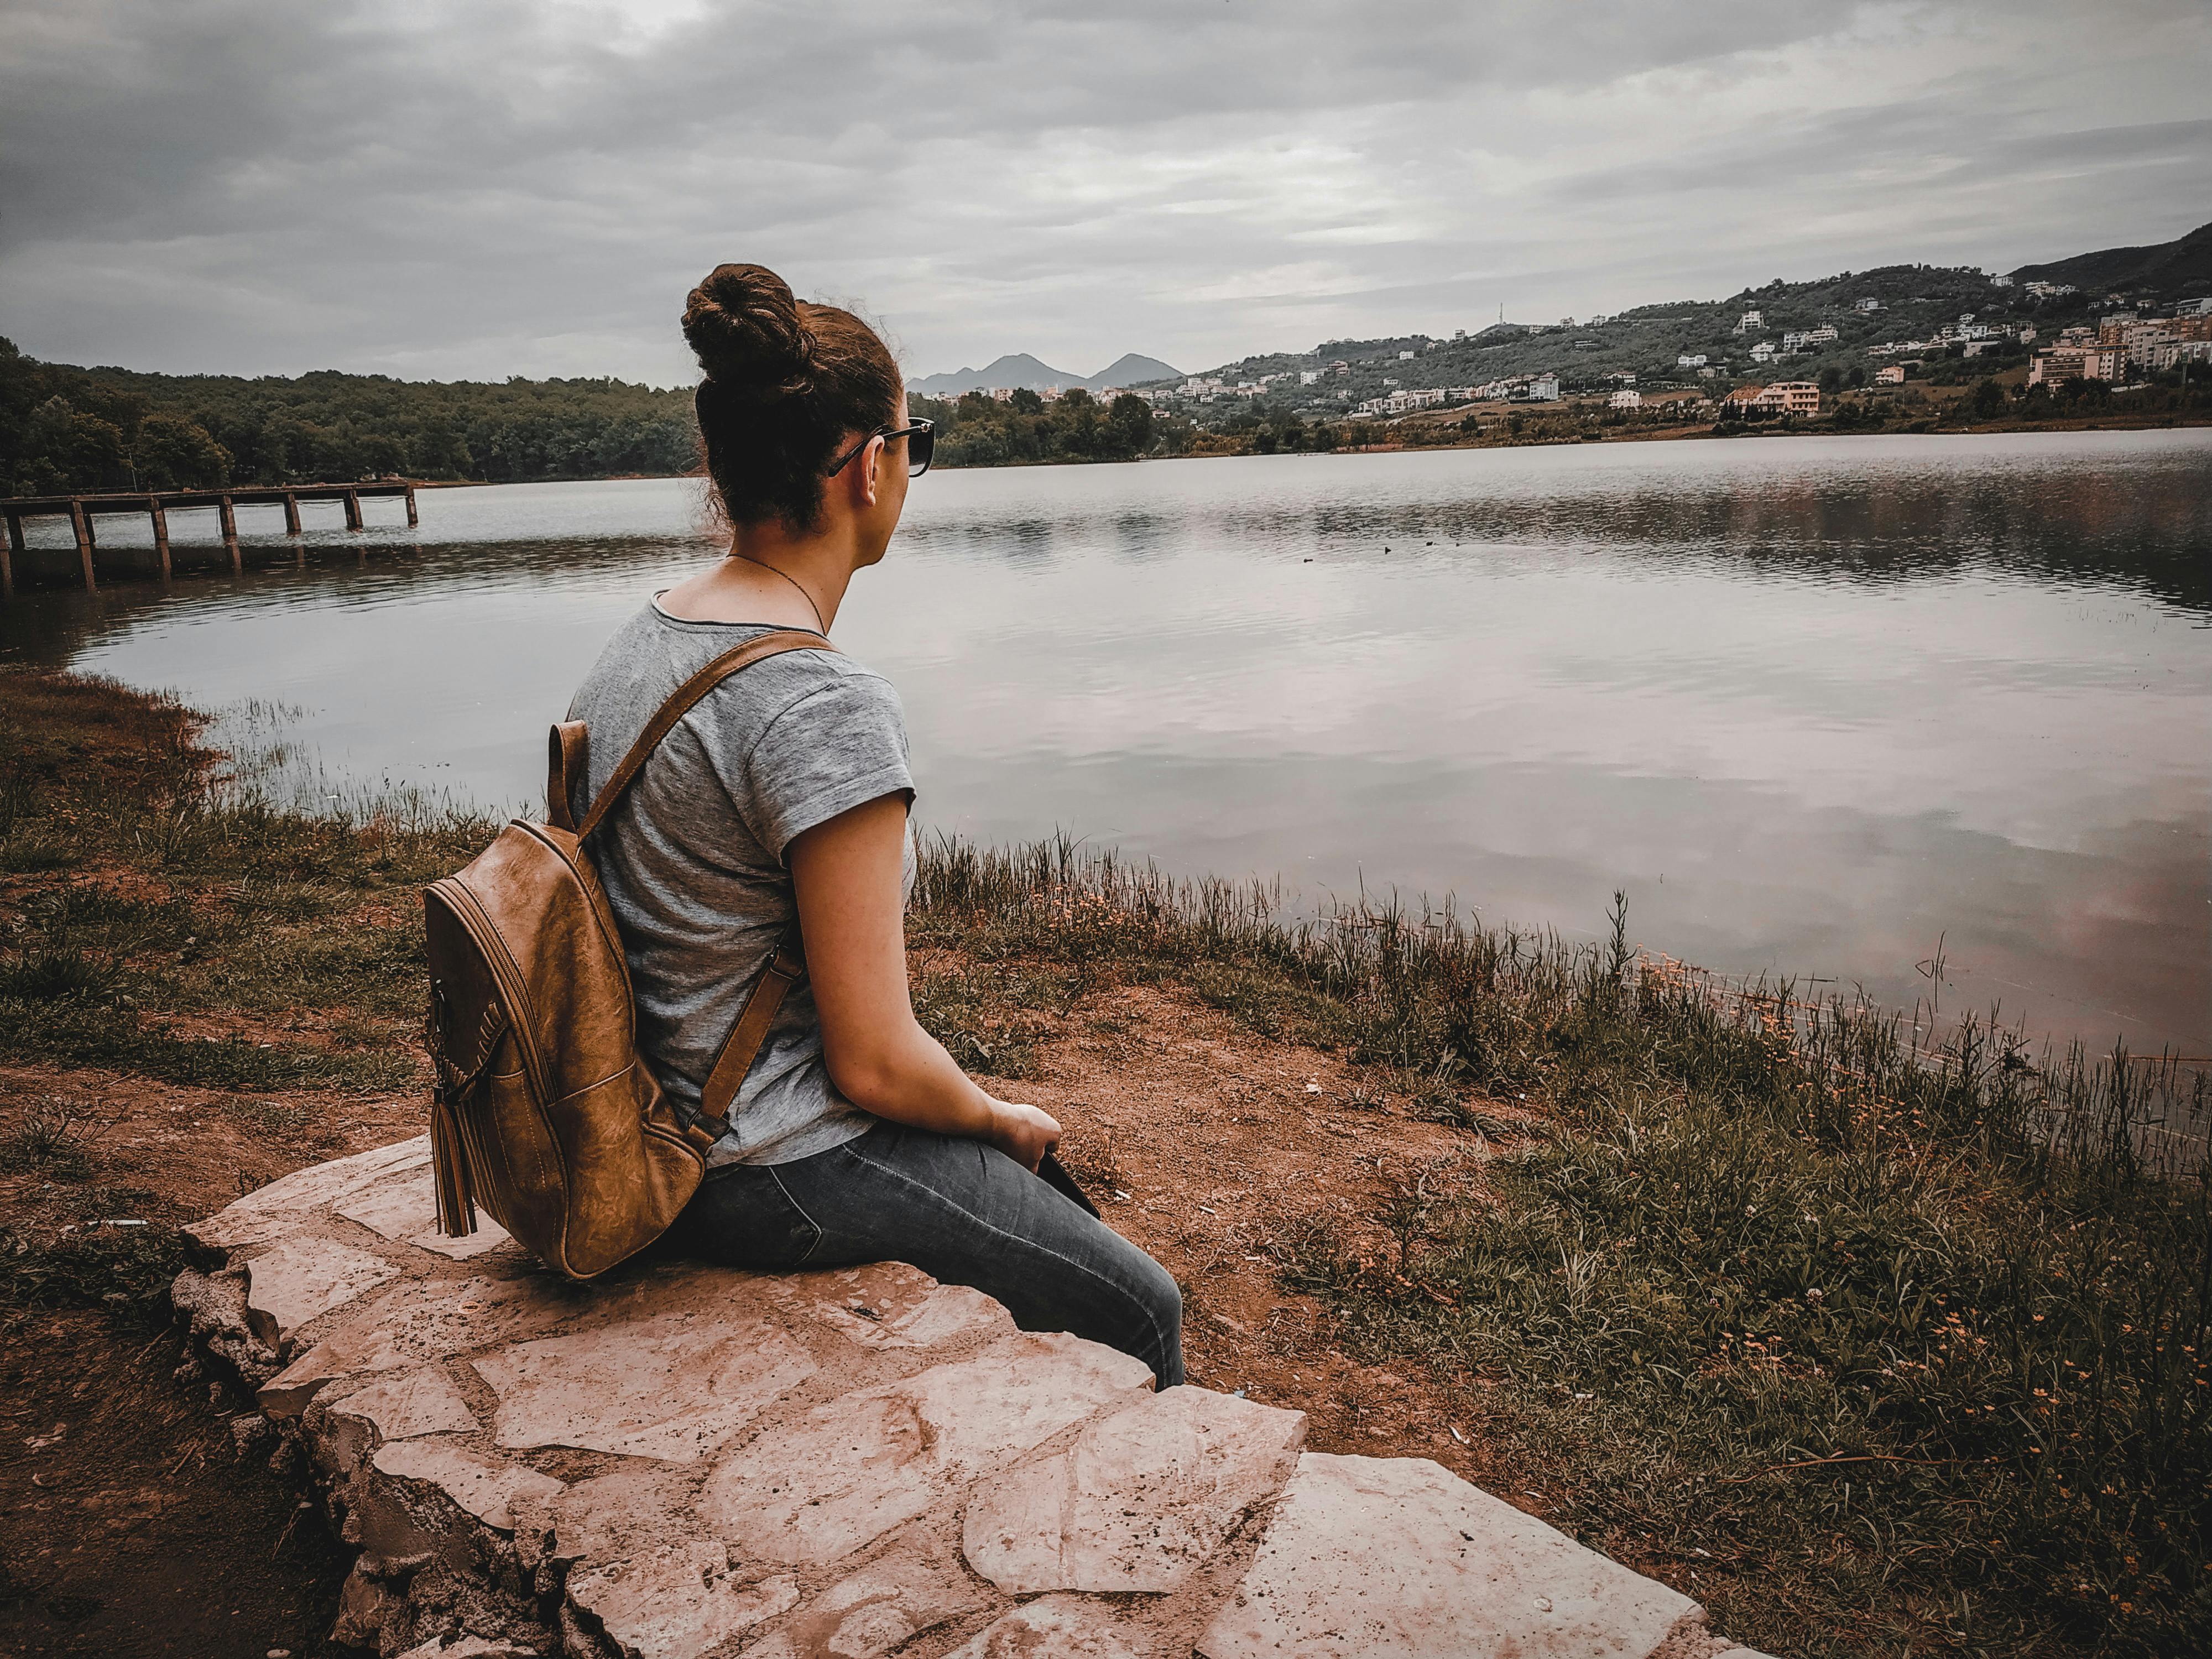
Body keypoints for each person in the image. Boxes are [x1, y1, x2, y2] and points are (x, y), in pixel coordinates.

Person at [565, 263, 1184, 1387]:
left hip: (632, 1122)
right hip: (755, 1160)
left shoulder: (643, 641)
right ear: (865, 467)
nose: (911, 466)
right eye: (916, 440)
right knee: (1142, 1309)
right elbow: (873, 1064)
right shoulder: (819, 703)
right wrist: (997, 1120)